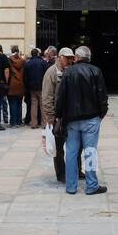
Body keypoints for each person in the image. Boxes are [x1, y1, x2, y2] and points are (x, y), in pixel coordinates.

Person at [55, 46, 109, 195]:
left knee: (71, 152)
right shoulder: (96, 71)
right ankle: (92, 185)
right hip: (91, 118)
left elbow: (60, 98)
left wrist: (59, 116)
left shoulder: (67, 72)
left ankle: (71, 186)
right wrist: (101, 114)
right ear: (89, 58)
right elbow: (102, 96)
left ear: (77, 57)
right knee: (90, 151)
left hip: (72, 119)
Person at [41, 47, 82, 182]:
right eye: (67, 58)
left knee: (77, 144)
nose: (70, 60)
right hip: (58, 117)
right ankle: (61, 173)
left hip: (72, 115)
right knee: (58, 148)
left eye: (71, 58)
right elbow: (47, 97)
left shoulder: (71, 70)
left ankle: (77, 169)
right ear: (59, 57)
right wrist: (50, 118)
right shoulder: (51, 72)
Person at [23, 47, 50, 129]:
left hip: (32, 88)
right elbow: (47, 74)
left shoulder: (28, 63)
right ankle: (44, 123)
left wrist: (28, 85)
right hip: (41, 87)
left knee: (33, 106)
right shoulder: (43, 62)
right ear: (38, 54)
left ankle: (34, 123)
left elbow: (25, 76)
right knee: (42, 105)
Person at [7, 45, 26, 128]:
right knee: (19, 104)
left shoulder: (9, 60)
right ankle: (19, 121)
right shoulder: (23, 61)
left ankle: (13, 122)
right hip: (21, 85)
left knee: (12, 104)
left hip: (12, 85)